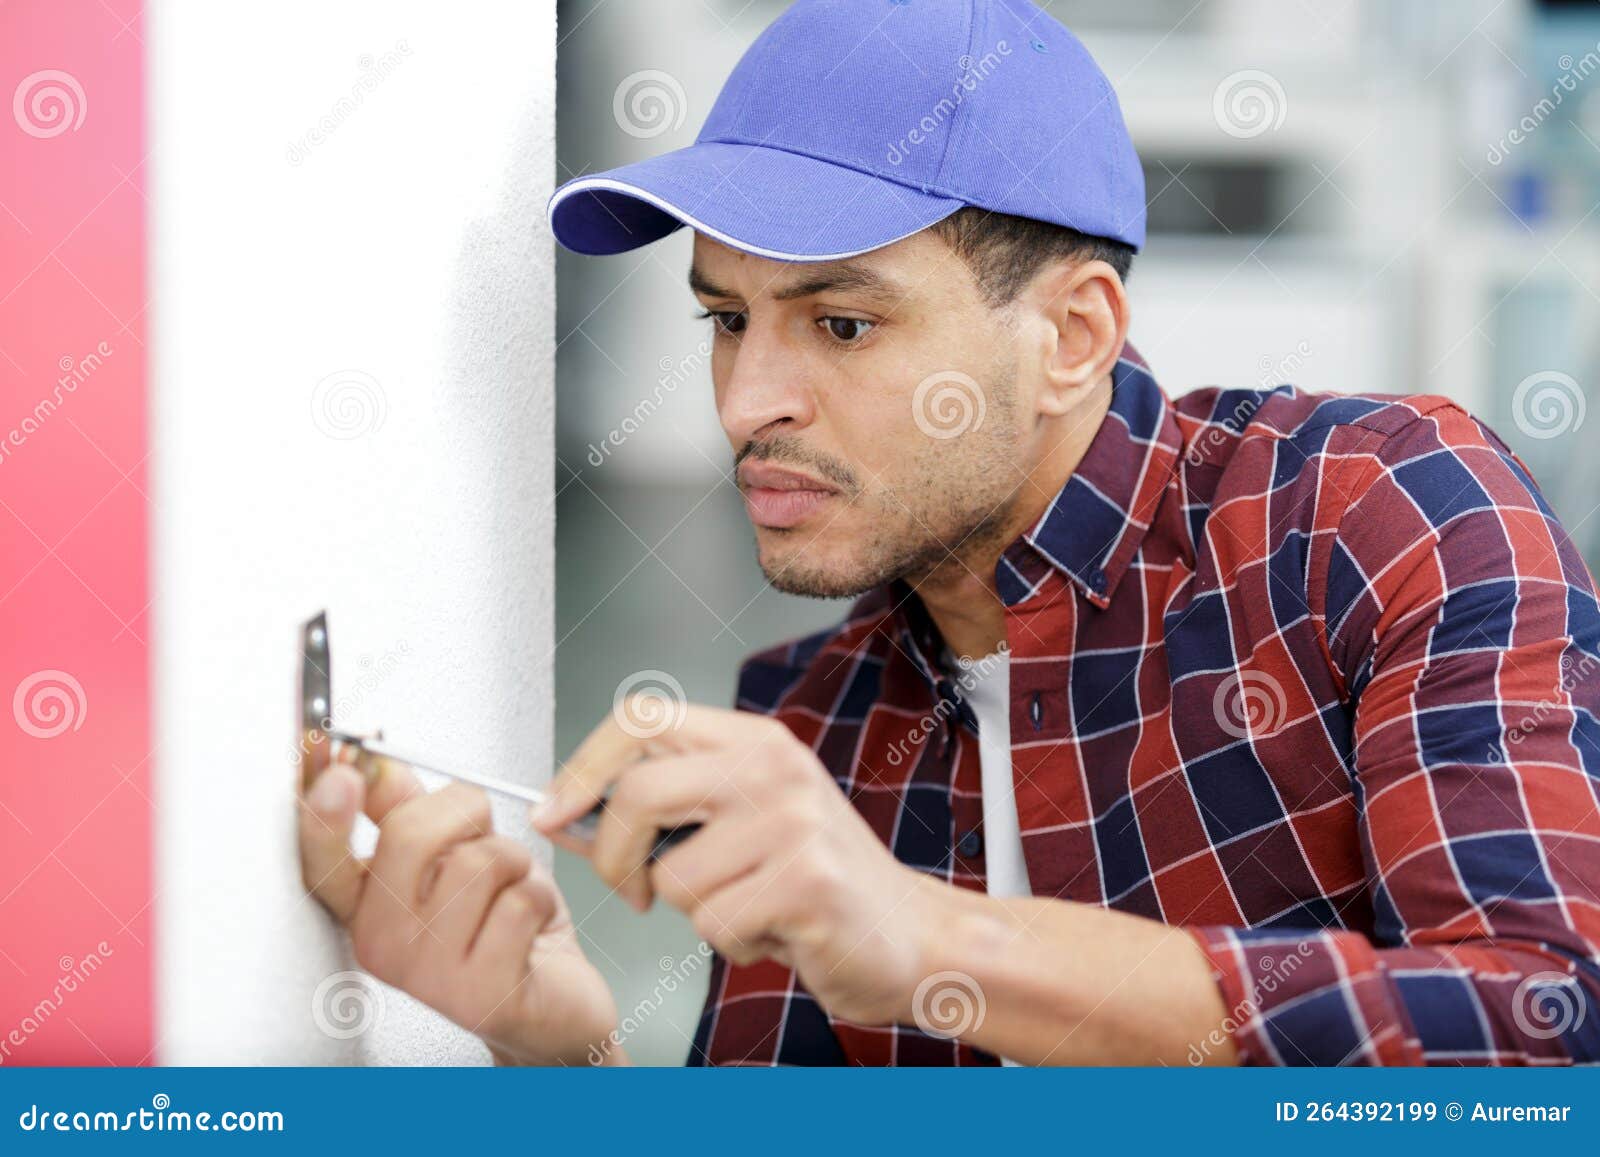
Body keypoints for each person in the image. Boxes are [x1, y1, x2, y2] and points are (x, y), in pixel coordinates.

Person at [298, 0, 1600, 1065]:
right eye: (725, 319)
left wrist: (924, 936)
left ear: (1072, 337)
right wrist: (559, 1054)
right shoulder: (811, 729)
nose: (748, 402)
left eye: (843, 323)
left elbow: (1546, 1027)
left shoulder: (1379, 515)